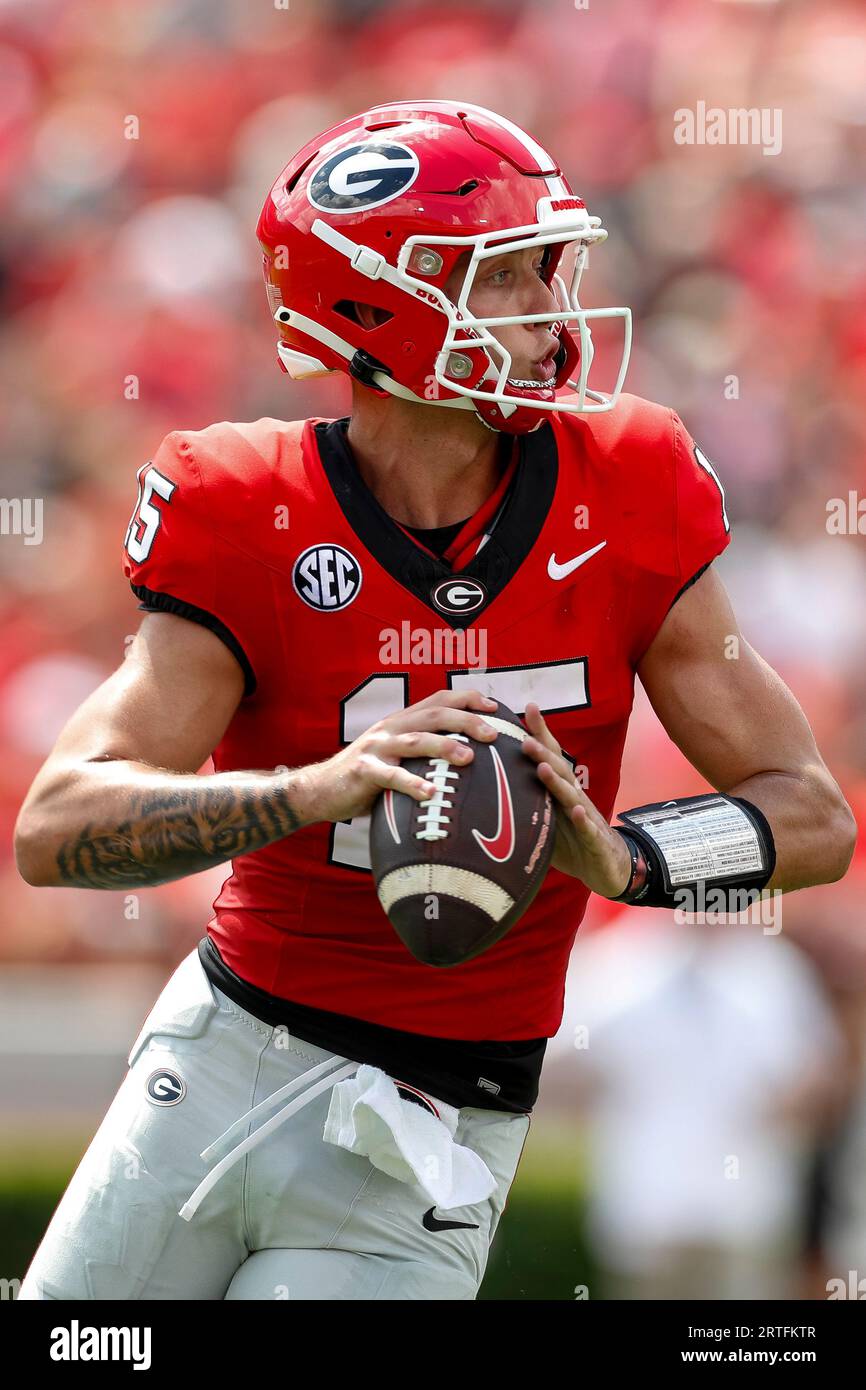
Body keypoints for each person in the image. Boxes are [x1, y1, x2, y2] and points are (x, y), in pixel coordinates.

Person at [14, 101, 855, 1301]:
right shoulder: (241, 501)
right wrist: (312, 792)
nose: (548, 310)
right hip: (221, 1062)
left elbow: (812, 817)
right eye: (505, 276)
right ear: (374, 308)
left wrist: (624, 858)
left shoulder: (629, 483)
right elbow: (55, 829)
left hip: (440, 1120)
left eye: (544, 269)